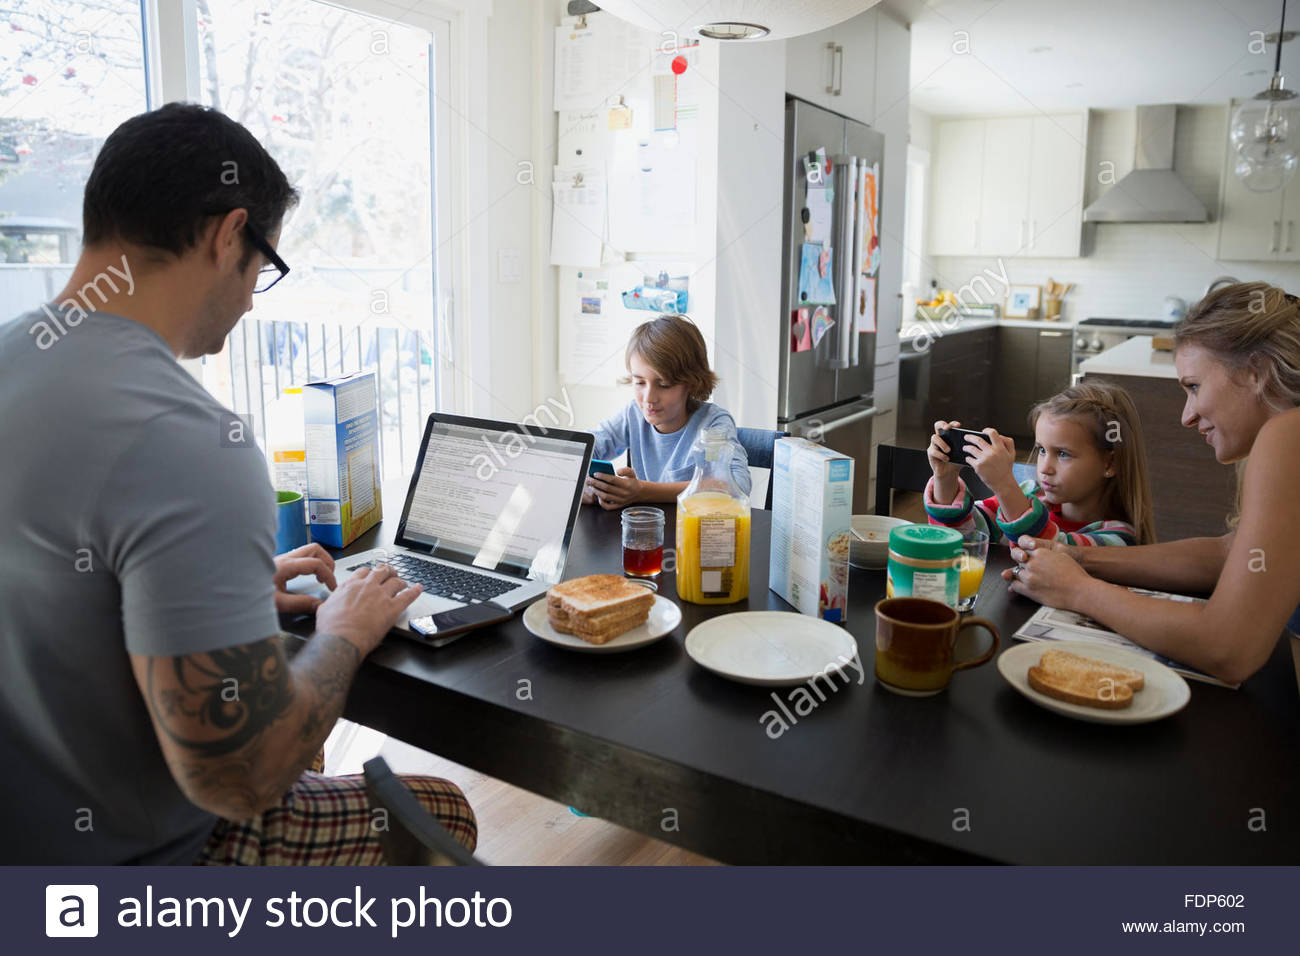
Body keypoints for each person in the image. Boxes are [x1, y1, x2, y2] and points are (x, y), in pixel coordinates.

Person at [0, 103, 475, 864]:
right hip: (135, 867)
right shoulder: (186, 439)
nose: (253, 298)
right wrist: (345, 634)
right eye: (264, 268)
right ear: (230, 236)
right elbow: (240, 777)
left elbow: (60, 593)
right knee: (441, 813)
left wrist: (225, 586)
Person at [1005, 282, 1300, 685]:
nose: (1187, 416)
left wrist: (1077, 591)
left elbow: (1226, 647)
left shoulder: (1288, 435)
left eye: (1194, 387)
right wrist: (1076, 558)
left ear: (1256, 373)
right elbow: (1231, 554)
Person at [924, 381, 1155, 546]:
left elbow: (1055, 550)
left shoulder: (1119, 538)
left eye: (1063, 454)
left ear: (1109, 463)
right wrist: (945, 478)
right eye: (1042, 450)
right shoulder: (1031, 497)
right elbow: (965, 536)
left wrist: (1005, 486)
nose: (1044, 468)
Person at [584, 314, 750, 508]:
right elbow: (586, 446)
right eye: (639, 382)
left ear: (691, 383)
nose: (648, 398)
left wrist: (643, 492)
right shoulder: (633, 415)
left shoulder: (712, 423)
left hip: (694, 533)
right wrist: (586, 486)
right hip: (648, 531)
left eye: (663, 384)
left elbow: (737, 484)